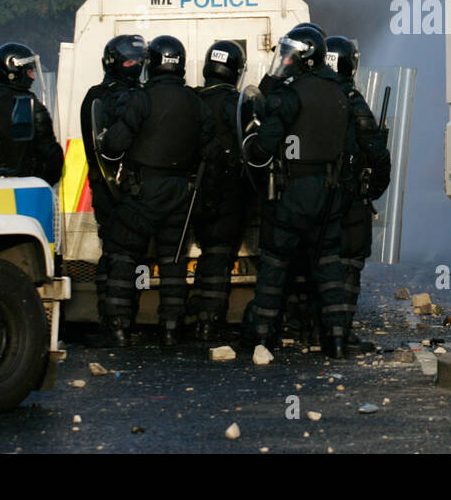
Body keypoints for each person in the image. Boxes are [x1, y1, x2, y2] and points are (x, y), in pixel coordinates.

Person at [241, 25, 354, 358]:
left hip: (292, 192)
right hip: (329, 191)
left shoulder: (292, 94)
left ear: (304, 57)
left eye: (291, 53)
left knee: (275, 266)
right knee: (329, 267)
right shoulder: (339, 93)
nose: (286, 59)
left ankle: (262, 338)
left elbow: (264, 146)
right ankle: (335, 338)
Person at [99, 35, 214, 347]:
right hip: (181, 192)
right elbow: (210, 147)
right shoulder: (195, 101)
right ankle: (171, 327)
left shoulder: (142, 98)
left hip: (143, 192)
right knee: (173, 263)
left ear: (151, 64)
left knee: (125, 257)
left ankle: (121, 327)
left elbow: (114, 145)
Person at [325, 36, 391, 347]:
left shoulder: (306, 94)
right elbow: (378, 153)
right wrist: (371, 192)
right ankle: (341, 333)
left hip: (311, 197)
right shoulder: (352, 100)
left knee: (318, 264)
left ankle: (313, 328)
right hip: (350, 198)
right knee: (349, 265)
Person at [81, 34, 146, 326]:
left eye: (139, 61)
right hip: (119, 185)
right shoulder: (121, 98)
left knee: (112, 251)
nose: (135, 66)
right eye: (130, 61)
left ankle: (107, 313)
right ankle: (121, 316)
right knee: (125, 254)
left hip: (105, 186)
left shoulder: (94, 96)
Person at [189, 40, 251, 341]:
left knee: (196, 255)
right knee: (218, 256)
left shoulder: (193, 100)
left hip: (192, 191)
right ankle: (209, 319)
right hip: (228, 191)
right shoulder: (236, 104)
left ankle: (189, 315)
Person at [0, 42, 63, 185]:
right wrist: (39, 184)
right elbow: (52, 156)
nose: (33, 77)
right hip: (25, 187)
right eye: (29, 71)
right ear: (14, 72)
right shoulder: (31, 105)